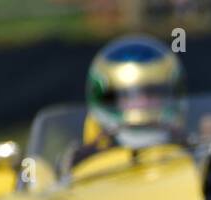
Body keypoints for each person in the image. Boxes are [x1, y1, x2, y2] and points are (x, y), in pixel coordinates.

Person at [65, 35, 186, 171]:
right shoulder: (83, 163)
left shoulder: (190, 151)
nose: (142, 103)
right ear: (107, 98)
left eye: (152, 92)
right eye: (129, 96)